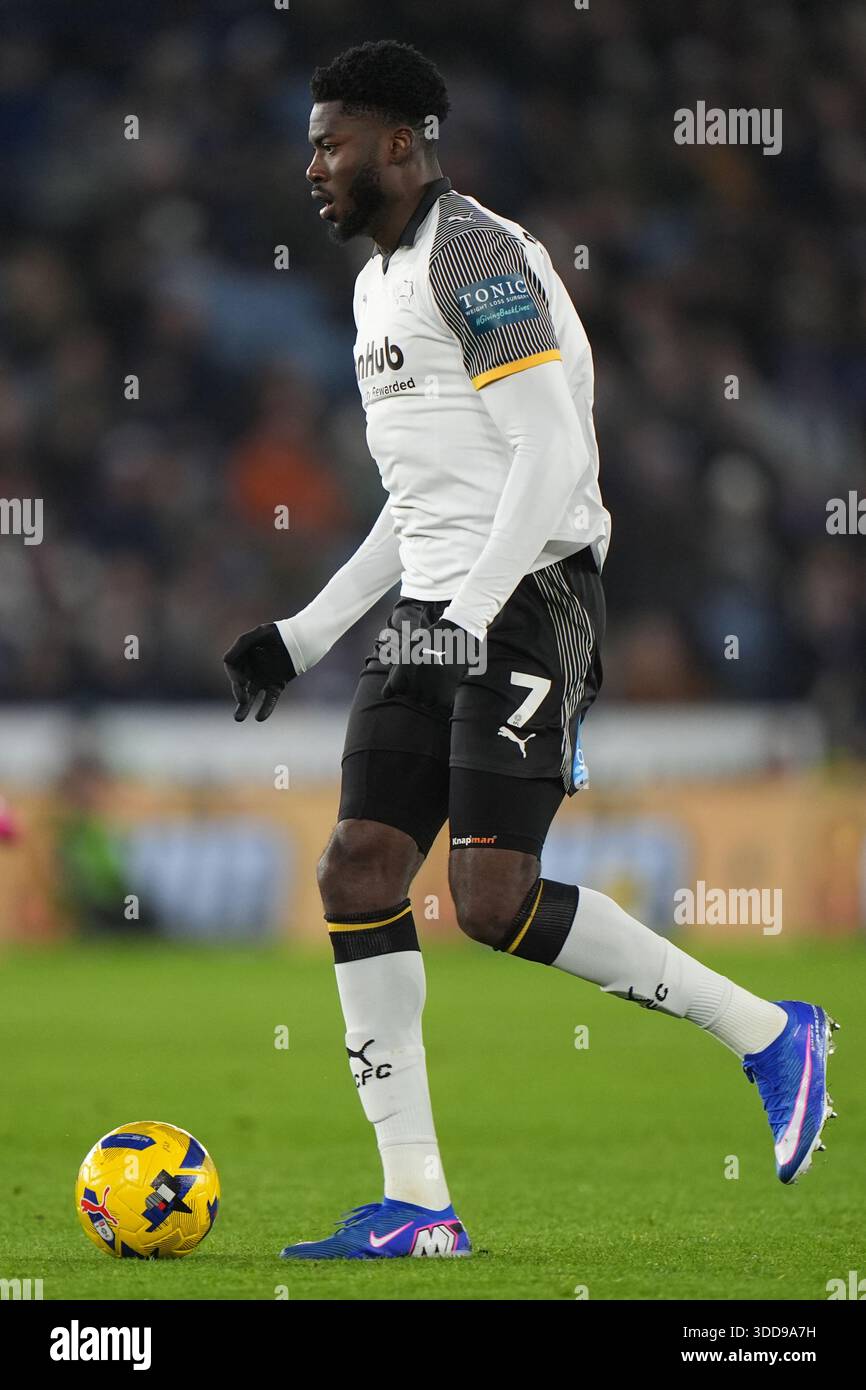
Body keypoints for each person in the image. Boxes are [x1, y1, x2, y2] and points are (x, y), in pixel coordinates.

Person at [224, 40, 837, 1261]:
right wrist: (303, 634)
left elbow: (549, 454)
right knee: (356, 869)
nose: (312, 167)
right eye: (310, 142)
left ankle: (770, 1034)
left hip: (527, 598)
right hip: (436, 607)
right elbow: (424, 497)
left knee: (490, 900)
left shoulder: (475, 254)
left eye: (331, 141)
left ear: (399, 143)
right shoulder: (371, 287)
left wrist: (470, 609)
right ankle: (419, 1206)